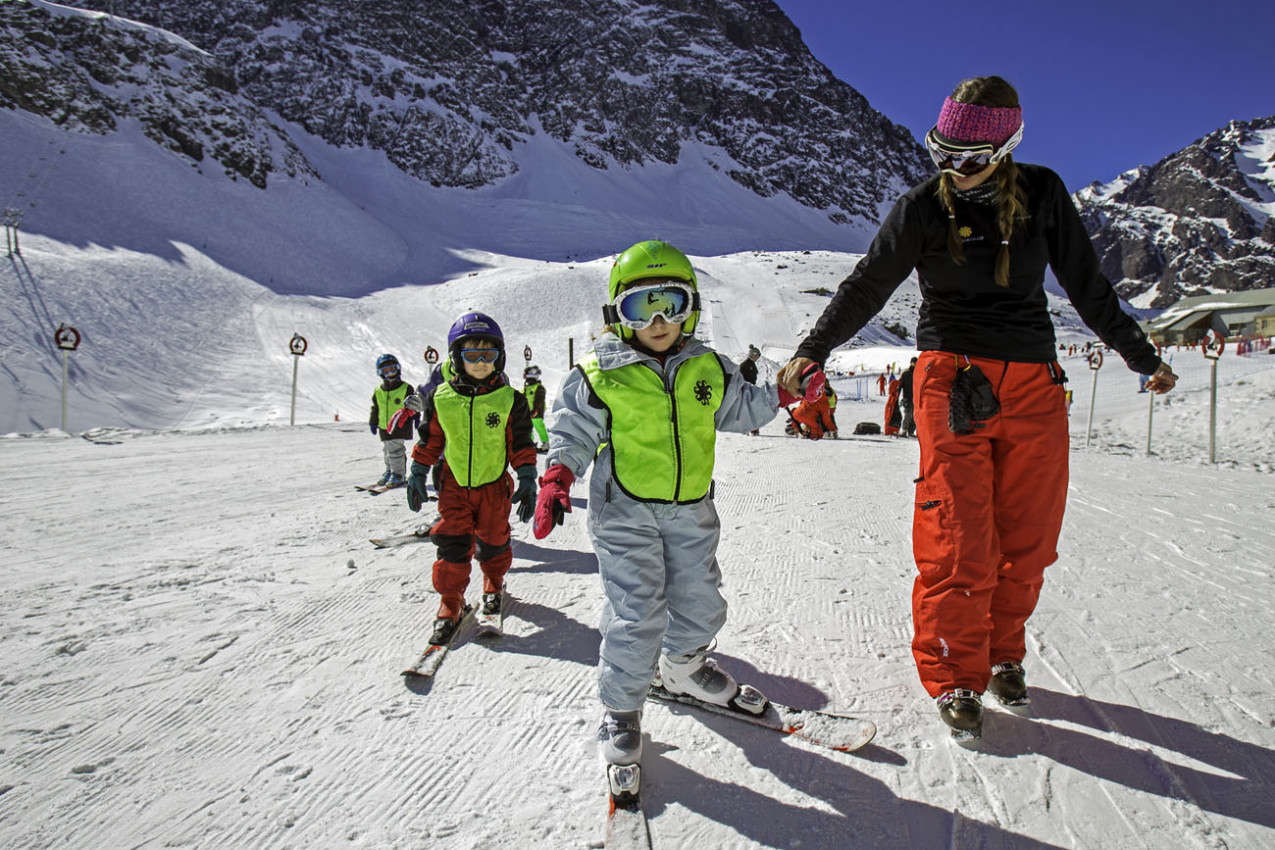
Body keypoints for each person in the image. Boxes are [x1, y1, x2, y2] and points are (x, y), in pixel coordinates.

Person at [778, 76, 1178, 739]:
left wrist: (1142, 357)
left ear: (1005, 148)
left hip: (1033, 382)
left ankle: (1002, 654)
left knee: (1026, 539)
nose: (954, 171)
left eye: (969, 158)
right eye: (942, 154)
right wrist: (811, 349)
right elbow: (866, 285)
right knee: (958, 534)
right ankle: (954, 671)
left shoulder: (1043, 194)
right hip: (951, 378)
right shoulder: (919, 210)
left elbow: (1087, 285)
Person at [533, 240, 823, 783]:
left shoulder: (706, 366)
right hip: (625, 513)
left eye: (670, 301)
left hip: (690, 510)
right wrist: (557, 475)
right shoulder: (601, 374)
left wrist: (783, 392)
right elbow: (573, 429)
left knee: (700, 603)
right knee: (637, 614)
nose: (660, 319)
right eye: (642, 306)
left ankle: (682, 668)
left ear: (690, 306)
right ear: (617, 316)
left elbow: (741, 408)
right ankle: (621, 708)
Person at [403, 312, 539, 646]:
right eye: (471, 355)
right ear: (456, 357)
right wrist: (418, 470)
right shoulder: (441, 399)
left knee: (494, 542)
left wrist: (526, 475)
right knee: (452, 545)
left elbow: (520, 443)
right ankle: (450, 602)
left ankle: (493, 584)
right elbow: (430, 439)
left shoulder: (511, 400)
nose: (480, 363)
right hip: (454, 488)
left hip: (493, 488)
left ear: (499, 357)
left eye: (488, 355)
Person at [368, 354, 414, 487]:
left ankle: (398, 474)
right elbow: (375, 408)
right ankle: (389, 471)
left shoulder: (406, 388)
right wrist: (373, 422)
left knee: (395, 451)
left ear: (398, 369)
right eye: (386, 371)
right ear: (380, 373)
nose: (390, 374)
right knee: (387, 451)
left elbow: (413, 406)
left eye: (392, 369)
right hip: (384, 426)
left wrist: (415, 418)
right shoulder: (378, 391)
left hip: (400, 425)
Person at [523, 365, 549, 452]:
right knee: (528, 427)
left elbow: (539, 400)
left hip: (536, 412)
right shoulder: (526, 388)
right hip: (528, 411)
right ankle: (529, 442)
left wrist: (536, 410)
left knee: (539, 426)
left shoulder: (538, 387)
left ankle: (545, 443)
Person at [740, 345, 761, 434]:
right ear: (752, 355)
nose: (757, 358)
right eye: (757, 356)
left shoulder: (751, 365)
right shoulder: (746, 365)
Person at [899, 357, 918, 438]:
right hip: (907, 397)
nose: (914, 364)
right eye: (913, 362)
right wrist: (897, 393)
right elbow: (900, 384)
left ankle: (911, 431)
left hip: (916, 398)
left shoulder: (918, 373)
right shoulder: (906, 373)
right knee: (908, 414)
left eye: (916, 363)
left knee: (915, 416)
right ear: (911, 363)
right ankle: (904, 430)